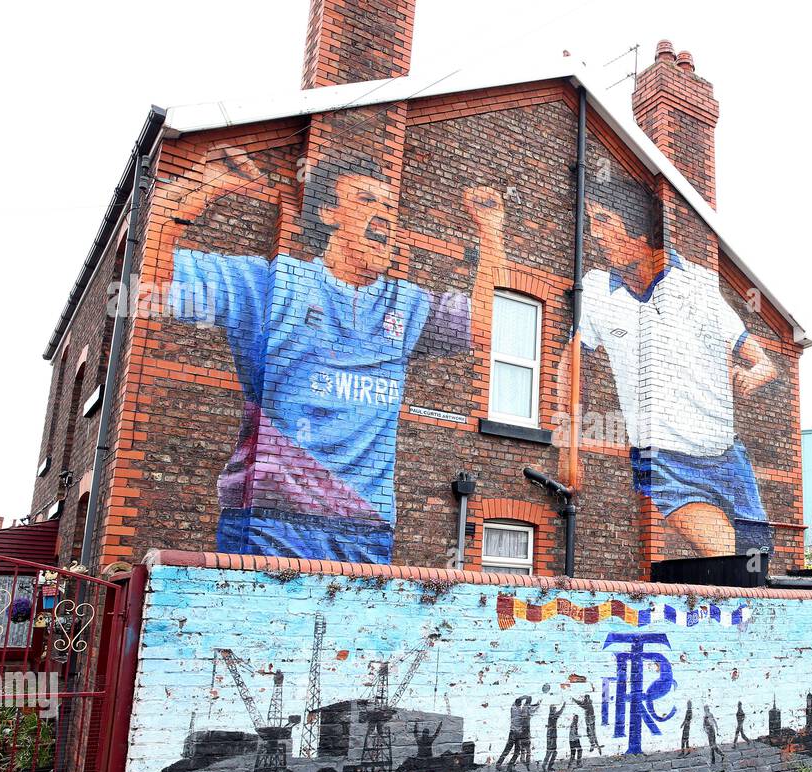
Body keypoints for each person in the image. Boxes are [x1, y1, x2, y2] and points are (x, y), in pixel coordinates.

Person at [164, 146, 507, 563]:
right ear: (328, 214)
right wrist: (201, 188)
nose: (382, 214)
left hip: (366, 525)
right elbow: (154, 274)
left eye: (387, 206)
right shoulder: (269, 283)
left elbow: (485, 330)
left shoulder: (408, 303)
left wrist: (490, 233)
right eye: (365, 200)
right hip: (271, 519)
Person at [577, 200, 779, 556]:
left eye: (605, 220)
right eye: (592, 222)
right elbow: (569, 360)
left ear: (641, 232)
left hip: (727, 458)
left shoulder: (699, 284)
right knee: (730, 557)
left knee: (757, 560)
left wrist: (754, 374)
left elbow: (763, 363)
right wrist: (569, 444)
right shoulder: (594, 290)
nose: (596, 234)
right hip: (665, 461)